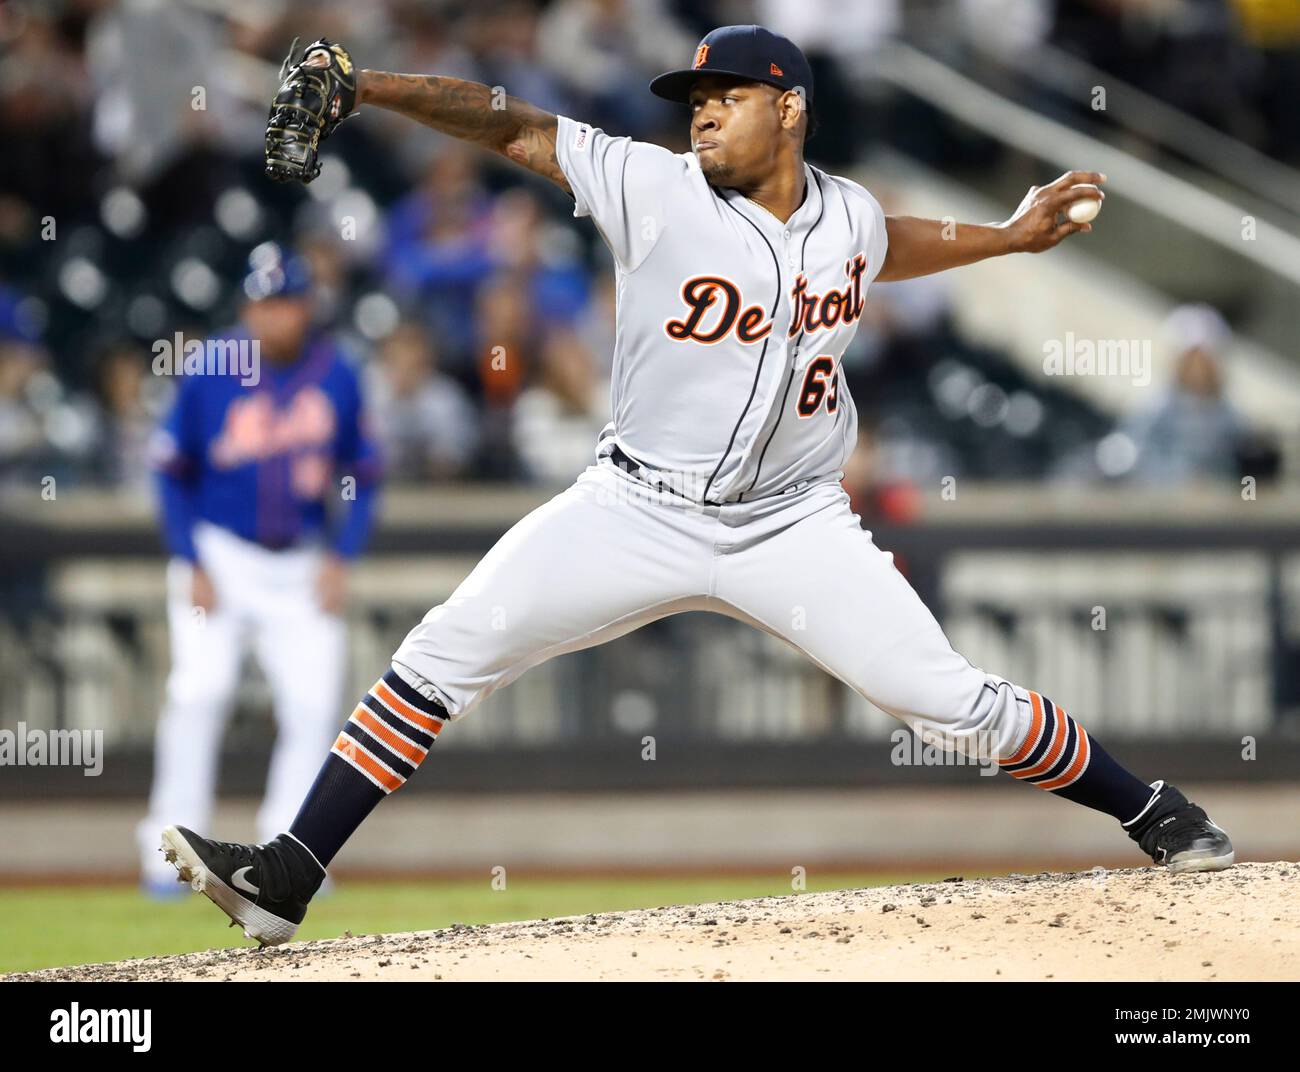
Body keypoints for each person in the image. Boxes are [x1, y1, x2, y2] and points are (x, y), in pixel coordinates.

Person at [163, 29, 1233, 944]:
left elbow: (884, 246)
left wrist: (1003, 235)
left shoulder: (848, 214)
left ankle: (1155, 810)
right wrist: (371, 86)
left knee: (947, 701)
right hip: (635, 505)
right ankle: (290, 874)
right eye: (695, 101)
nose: (703, 117)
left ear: (790, 110)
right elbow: (510, 124)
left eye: (726, 99)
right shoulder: (652, 186)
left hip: (794, 524)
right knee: (446, 647)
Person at [138, 243, 381, 896]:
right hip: (219, 554)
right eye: (265, 303)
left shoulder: (338, 371)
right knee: (199, 692)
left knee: (313, 705)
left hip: (301, 561)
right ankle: (169, 846)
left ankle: (293, 858)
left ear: (306, 308)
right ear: (249, 307)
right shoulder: (212, 365)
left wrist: (341, 554)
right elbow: (169, 473)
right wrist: (189, 558)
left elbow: (366, 472)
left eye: (287, 303)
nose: (275, 317)